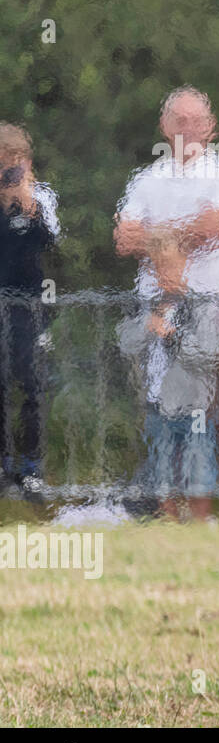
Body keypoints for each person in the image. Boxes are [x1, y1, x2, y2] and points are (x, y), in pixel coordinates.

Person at [114, 86, 219, 520]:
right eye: (178, 120)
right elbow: (122, 238)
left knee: (206, 414)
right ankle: (166, 508)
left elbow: (214, 225)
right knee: (160, 409)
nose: (187, 128)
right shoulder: (145, 179)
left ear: (211, 128)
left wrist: (157, 237)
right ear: (164, 126)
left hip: (208, 306)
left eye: (196, 120)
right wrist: (170, 239)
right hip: (157, 306)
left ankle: (206, 509)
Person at [0, 123, 58, 495]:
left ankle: (31, 467)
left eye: (15, 161)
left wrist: (28, 203)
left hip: (30, 307)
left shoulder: (42, 196)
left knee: (31, 385)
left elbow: (50, 242)